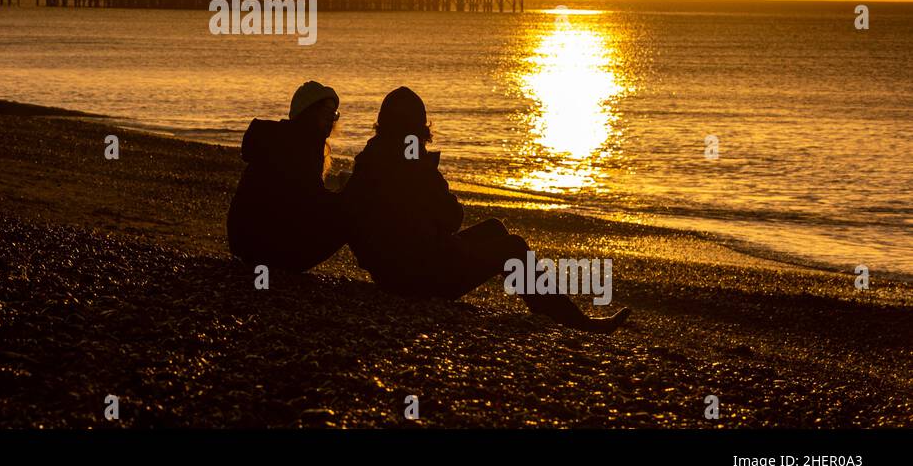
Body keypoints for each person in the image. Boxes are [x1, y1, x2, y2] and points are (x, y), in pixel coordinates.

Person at [343, 87, 630, 332]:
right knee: (513, 248)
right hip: (417, 279)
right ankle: (572, 320)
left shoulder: (370, 158)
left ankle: (548, 307)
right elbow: (451, 218)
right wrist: (431, 176)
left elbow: (361, 220)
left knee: (493, 227)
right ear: (418, 129)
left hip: (391, 272)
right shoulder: (412, 164)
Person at [226, 81, 347, 273]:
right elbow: (312, 202)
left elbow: (300, 197)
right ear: (309, 112)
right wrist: (347, 194)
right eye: (327, 112)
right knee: (353, 209)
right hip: (268, 251)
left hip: (245, 244)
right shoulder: (300, 145)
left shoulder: (280, 137)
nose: (331, 119)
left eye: (334, 114)